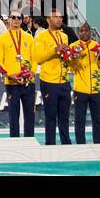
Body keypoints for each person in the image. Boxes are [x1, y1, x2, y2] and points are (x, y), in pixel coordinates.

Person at [32, 11, 72, 145]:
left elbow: (65, 56)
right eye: (56, 17)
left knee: (65, 116)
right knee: (50, 116)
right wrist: (55, 49)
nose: (59, 19)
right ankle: (50, 143)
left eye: (61, 17)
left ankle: (66, 142)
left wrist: (71, 55)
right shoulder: (41, 36)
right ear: (48, 20)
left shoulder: (65, 36)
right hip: (49, 81)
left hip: (64, 80)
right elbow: (38, 58)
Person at [0, 11, 35, 138]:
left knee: (30, 113)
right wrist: (9, 74)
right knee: (13, 114)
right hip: (12, 82)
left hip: (28, 82)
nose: (16, 20)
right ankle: (14, 140)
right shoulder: (2, 38)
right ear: (9, 20)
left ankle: (30, 139)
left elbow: (34, 58)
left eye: (19, 17)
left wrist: (32, 72)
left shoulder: (28, 37)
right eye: (14, 17)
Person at [69, 22, 100, 144]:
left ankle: (99, 143)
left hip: (96, 89)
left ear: (90, 32)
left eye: (86, 31)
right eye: (81, 31)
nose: (84, 33)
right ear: (78, 32)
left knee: (98, 119)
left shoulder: (97, 46)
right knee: (80, 120)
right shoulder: (73, 47)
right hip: (80, 89)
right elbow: (72, 68)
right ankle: (80, 144)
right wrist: (76, 58)